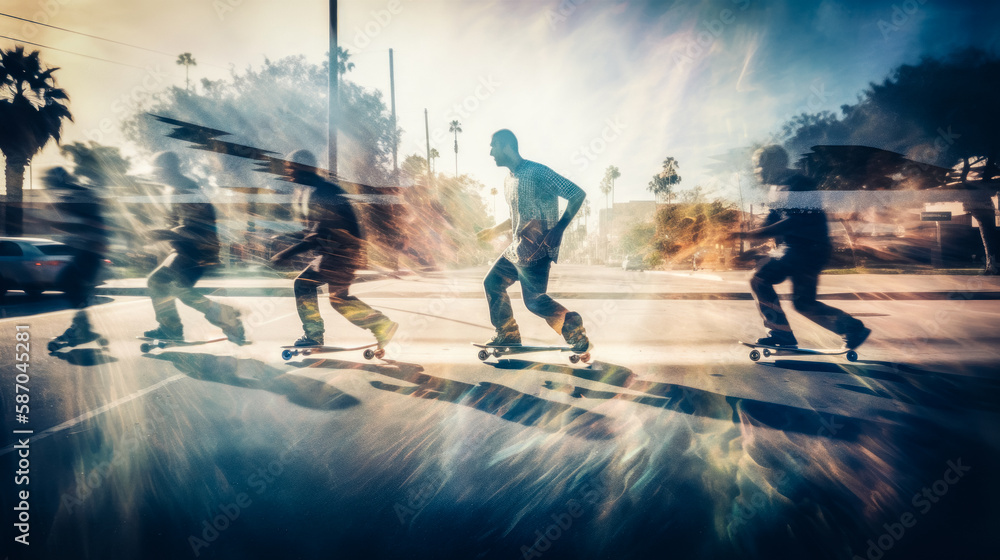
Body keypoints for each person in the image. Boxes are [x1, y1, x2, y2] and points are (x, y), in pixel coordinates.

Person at [735, 145, 870, 349]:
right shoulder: (777, 189)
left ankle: (780, 334)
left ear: (776, 164)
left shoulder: (798, 183)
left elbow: (794, 222)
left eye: (759, 166)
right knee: (803, 304)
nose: (757, 171)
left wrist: (755, 235)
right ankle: (853, 328)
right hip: (800, 250)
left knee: (760, 278)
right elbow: (771, 221)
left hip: (806, 249)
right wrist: (751, 243)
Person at [270, 149, 398, 350]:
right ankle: (381, 325)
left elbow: (317, 236)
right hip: (339, 251)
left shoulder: (321, 192)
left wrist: (286, 253)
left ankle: (319, 333)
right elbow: (316, 231)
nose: (288, 174)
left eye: (291, 169)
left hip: (340, 252)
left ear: (303, 168)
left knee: (311, 288)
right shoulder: (321, 189)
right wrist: (287, 238)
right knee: (335, 297)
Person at [476, 129, 591, 352]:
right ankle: (507, 333)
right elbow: (516, 216)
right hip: (517, 249)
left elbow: (577, 194)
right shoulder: (508, 180)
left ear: (507, 146)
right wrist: (493, 230)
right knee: (492, 283)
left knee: (534, 302)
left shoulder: (538, 172)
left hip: (539, 248)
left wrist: (559, 228)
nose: (491, 153)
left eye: (494, 146)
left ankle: (574, 329)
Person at [142, 151, 247, 344]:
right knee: (178, 289)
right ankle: (221, 317)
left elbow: (198, 227)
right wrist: (164, 234)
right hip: (186, 249)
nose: (157, 175)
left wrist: (165, 234)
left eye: (160, 170)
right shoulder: (175, 189)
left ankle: (172, 328)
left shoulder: (187, 189)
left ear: (171, 169)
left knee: (161, 283)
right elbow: (177, 224)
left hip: (198, 249)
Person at [44, 167, 109, 347]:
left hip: (91, 251)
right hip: (87, 251)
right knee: (68, 282)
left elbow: (91, 223)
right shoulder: (72, 195)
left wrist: (56, 223)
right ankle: (83, 328)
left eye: (52, 186)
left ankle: (82, 328)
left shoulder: (77, 195)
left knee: (69, 281)